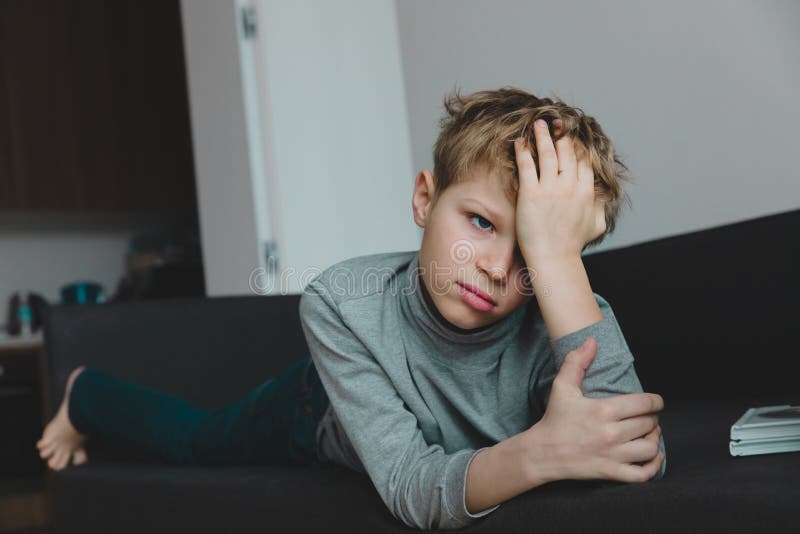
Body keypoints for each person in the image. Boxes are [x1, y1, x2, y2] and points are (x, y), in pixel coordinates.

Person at [38, 87, 666, 531]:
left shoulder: (568, 306)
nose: (499, 269)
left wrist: (557, 264)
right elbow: (411, 488)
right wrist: (540, 454)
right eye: (479, 221)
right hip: (319, 408)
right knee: (199, 439)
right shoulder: (341, 303)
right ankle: (88, 394)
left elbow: (636, 456)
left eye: (533, 246)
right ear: (425, 198)